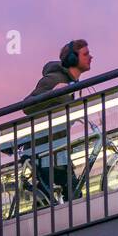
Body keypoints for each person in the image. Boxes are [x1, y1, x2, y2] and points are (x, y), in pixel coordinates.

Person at [20, 39, 92, 201]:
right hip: (43, 152)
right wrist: (52, 93)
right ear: (72, 59)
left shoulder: (72, 84)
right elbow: (27, 106)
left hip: (57, 151)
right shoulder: (54, 79)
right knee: (68, 198)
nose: (90, 57)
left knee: (71, 196)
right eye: (86, 54)